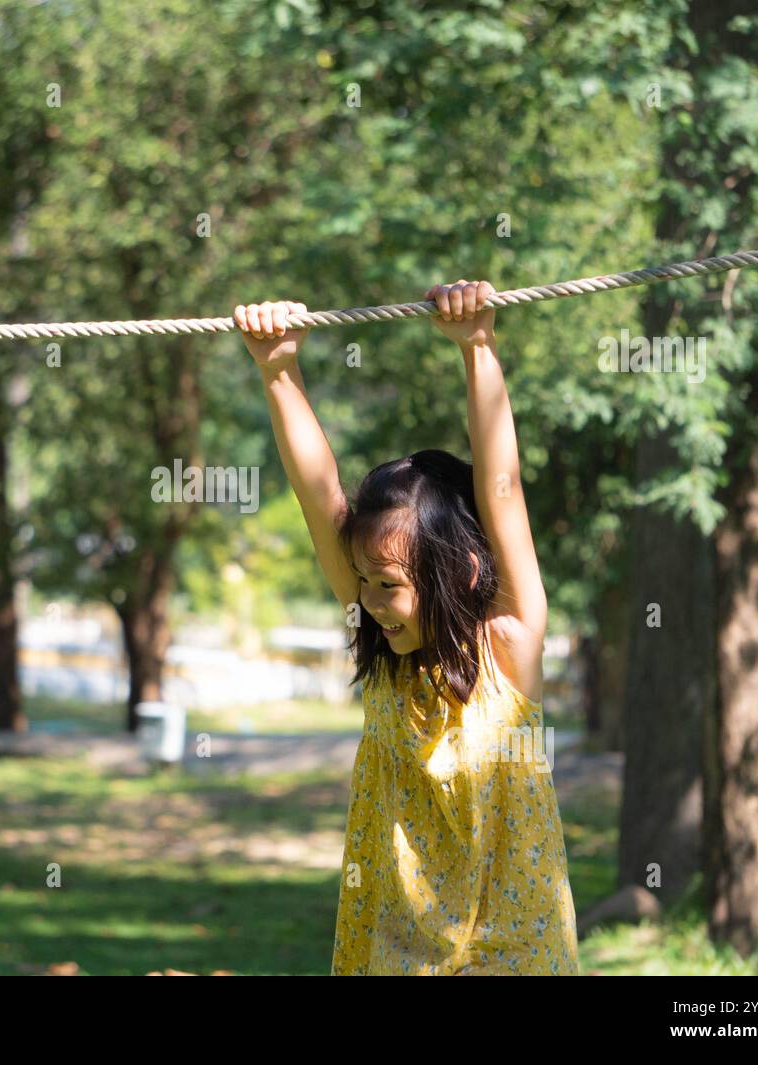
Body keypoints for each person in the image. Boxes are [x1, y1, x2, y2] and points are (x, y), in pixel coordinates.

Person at [235, 283, 579, 975]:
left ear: (462, 570)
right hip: (397, 950)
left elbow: (503, 489)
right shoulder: (390, 652)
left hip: (510, 949)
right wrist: (278, 366)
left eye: (387, 585)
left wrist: (478, 345)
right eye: (362, 579)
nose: (367, 598)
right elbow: (319, 493)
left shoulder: (508, 643)